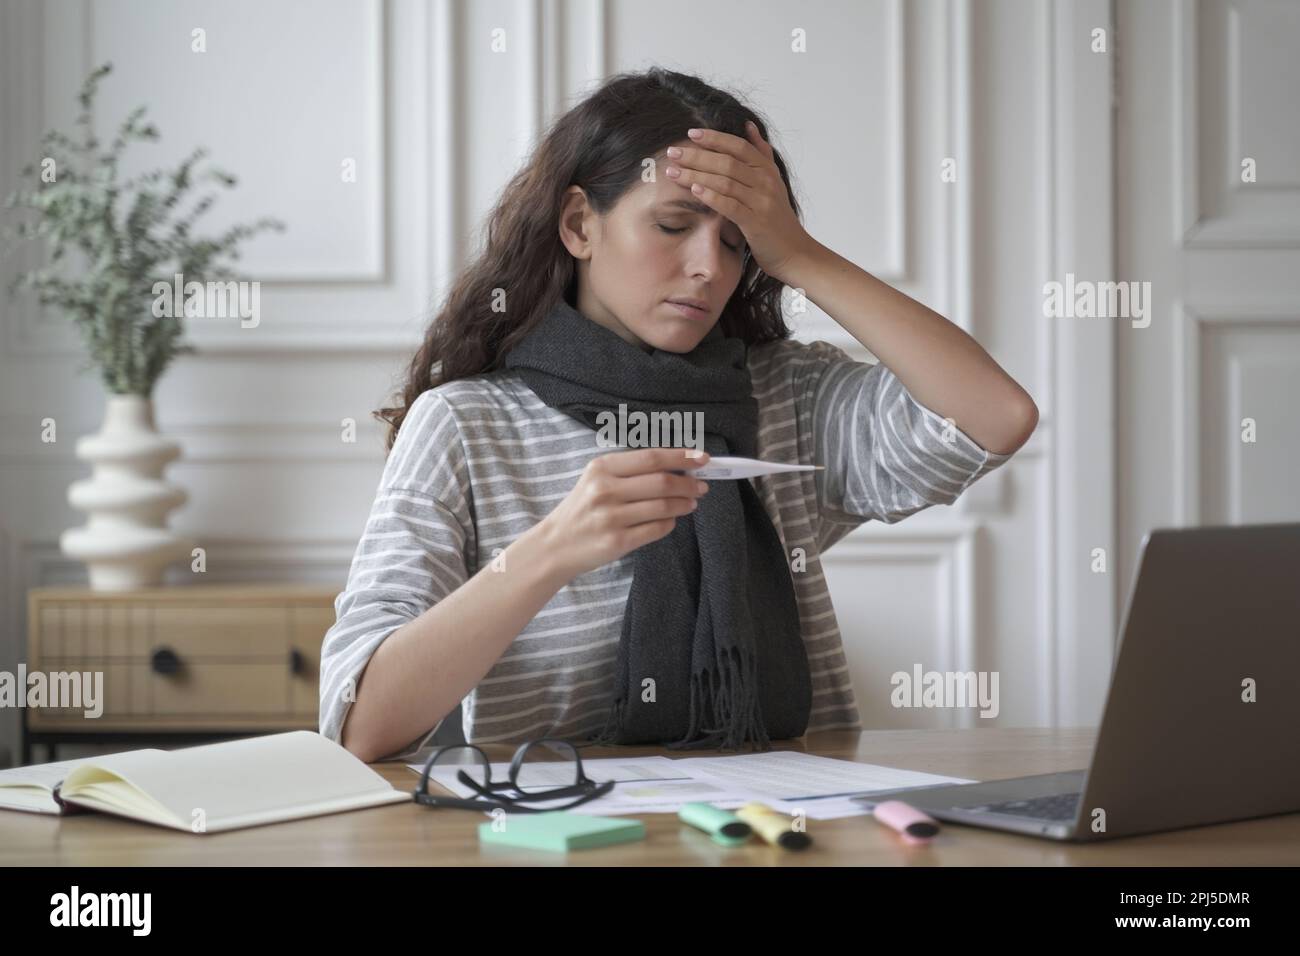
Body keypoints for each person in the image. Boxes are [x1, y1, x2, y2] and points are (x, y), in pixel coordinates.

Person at [320, 68, 1037, 764]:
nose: (709, 268)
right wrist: (548, 553)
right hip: (561, 839)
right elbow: (362, 725)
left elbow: (996, 416)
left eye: (735, 242)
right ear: (578, 224)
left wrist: (800, 256)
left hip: (784, 834)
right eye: (672, 224)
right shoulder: (465, 426)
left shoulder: (783, 397)